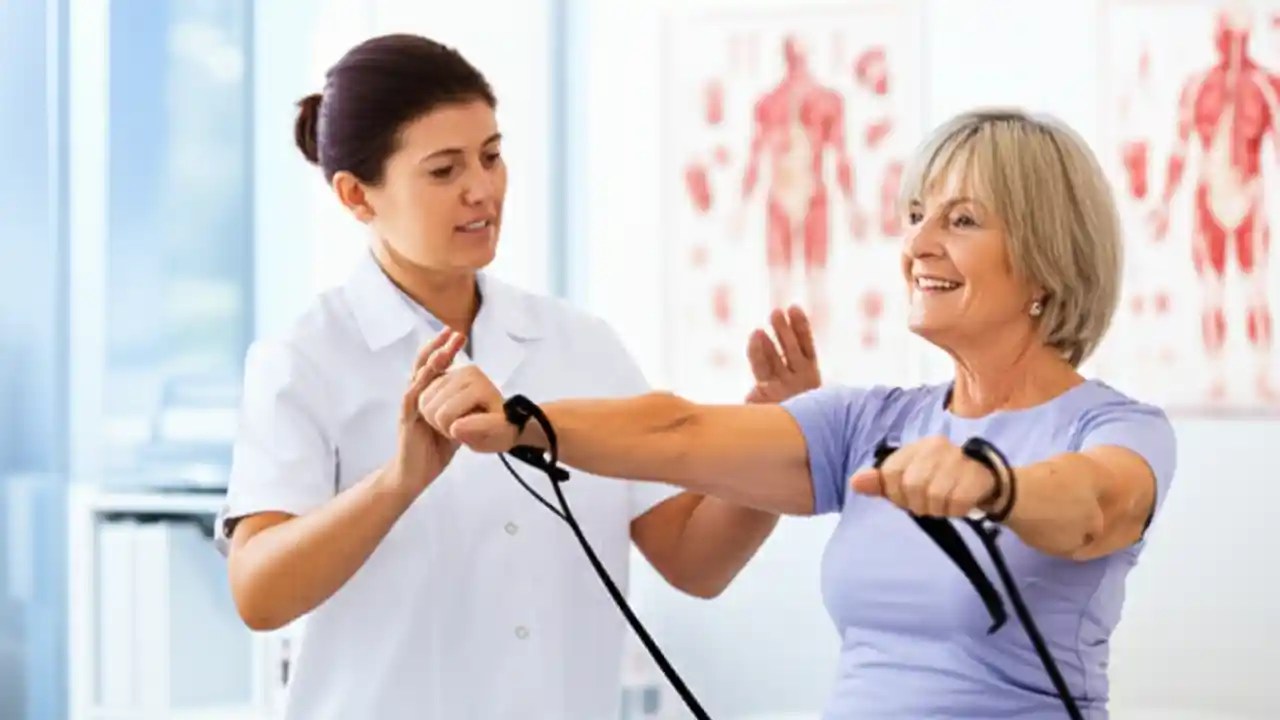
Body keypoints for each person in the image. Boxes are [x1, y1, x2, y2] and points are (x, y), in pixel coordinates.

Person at [417, 109, 1179, 719]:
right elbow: (679, 431)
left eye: (962, 220)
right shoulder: (869, 423)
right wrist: (523, 418)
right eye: (916, 214)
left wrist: (991, 483)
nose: (917, 243)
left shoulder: (1116, 427)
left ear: (1047, 254)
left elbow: (1094, 505)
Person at [216, 33, 799, 720]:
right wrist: (398, 482)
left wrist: (771, 439)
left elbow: (694, 563)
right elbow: (258, 594)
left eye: (491, 156)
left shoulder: (581, 345)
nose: (482, 189)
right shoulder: (306, 361)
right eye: (443, 171)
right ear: (356, 196)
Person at [1151, 1, 1277, 401]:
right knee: (1212, 291)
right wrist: (1166, 203)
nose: (1230, 44)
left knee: (1255, 288)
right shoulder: (1199, 86)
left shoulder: (1266, 86)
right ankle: (1217, 376)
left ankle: (1261, 373)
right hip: (1208, 197)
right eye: (1225, 35)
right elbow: (1179, 147)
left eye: (1235, 35)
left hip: (1249, 196)